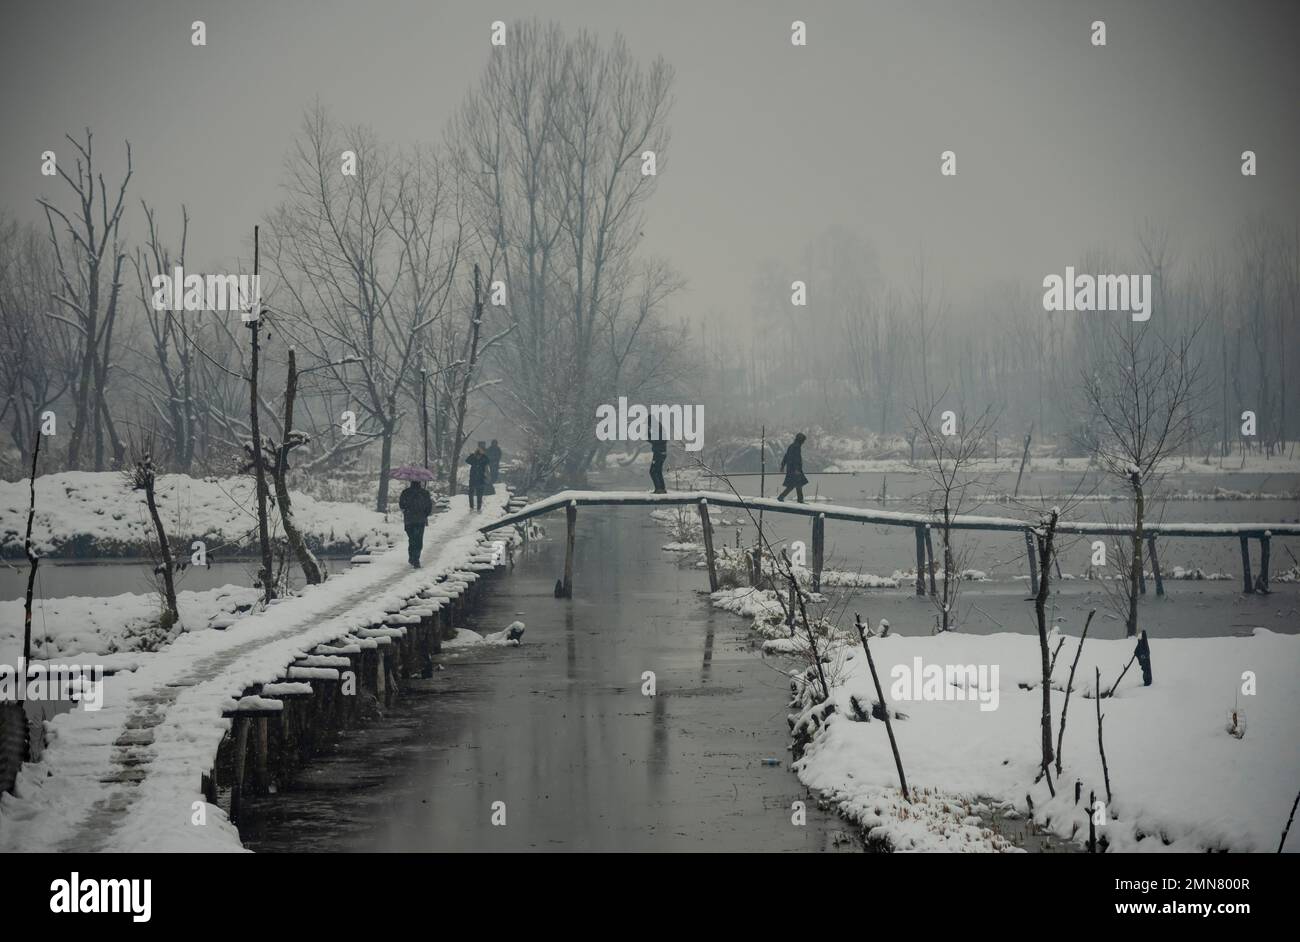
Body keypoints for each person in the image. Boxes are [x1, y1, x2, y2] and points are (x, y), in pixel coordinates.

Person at [398, 480, 433, 567]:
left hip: (409, 520)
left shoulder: (405, 492)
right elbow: (429, 507)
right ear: (420, 483)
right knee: (418, 540)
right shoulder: (424, 493)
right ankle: (416, 558)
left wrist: (407, 510)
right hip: (420, 520)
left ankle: (412, 557)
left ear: (411, 482)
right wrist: (424, 514)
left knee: (412, 539)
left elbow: (401, 505)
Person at [777, 432, 808, 503]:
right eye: (803, 440)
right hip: (795, 469)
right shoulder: (796, 447)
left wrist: (782, 466)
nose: (803, 442)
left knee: (795, 484)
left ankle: (782, 497)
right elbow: (796, 459)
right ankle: (799, 500)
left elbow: (786, 456)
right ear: (801, 440)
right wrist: (797, 469)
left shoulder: (791, 446)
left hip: (791, 469)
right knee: (797, 484)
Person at [466, 443, 491, 511]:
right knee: (471, 494)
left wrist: (488, 477)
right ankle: (472, 507)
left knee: (479, 494)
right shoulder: (473, 458)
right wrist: (472, 454)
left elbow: (487, 467)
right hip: (474, 478)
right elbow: (467, 460)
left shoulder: (484, 458)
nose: (478, 457)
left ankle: (478, 508)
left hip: (480, 478)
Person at [649, 421, 668, 494]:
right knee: (658, 471)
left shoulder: (658, 430)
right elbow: (654, 440)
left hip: (658, 454)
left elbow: (654, 441)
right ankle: (662, 488)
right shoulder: (659, 429)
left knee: (653, 471)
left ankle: (659, 489)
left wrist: (647, 433)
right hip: (661, 453)